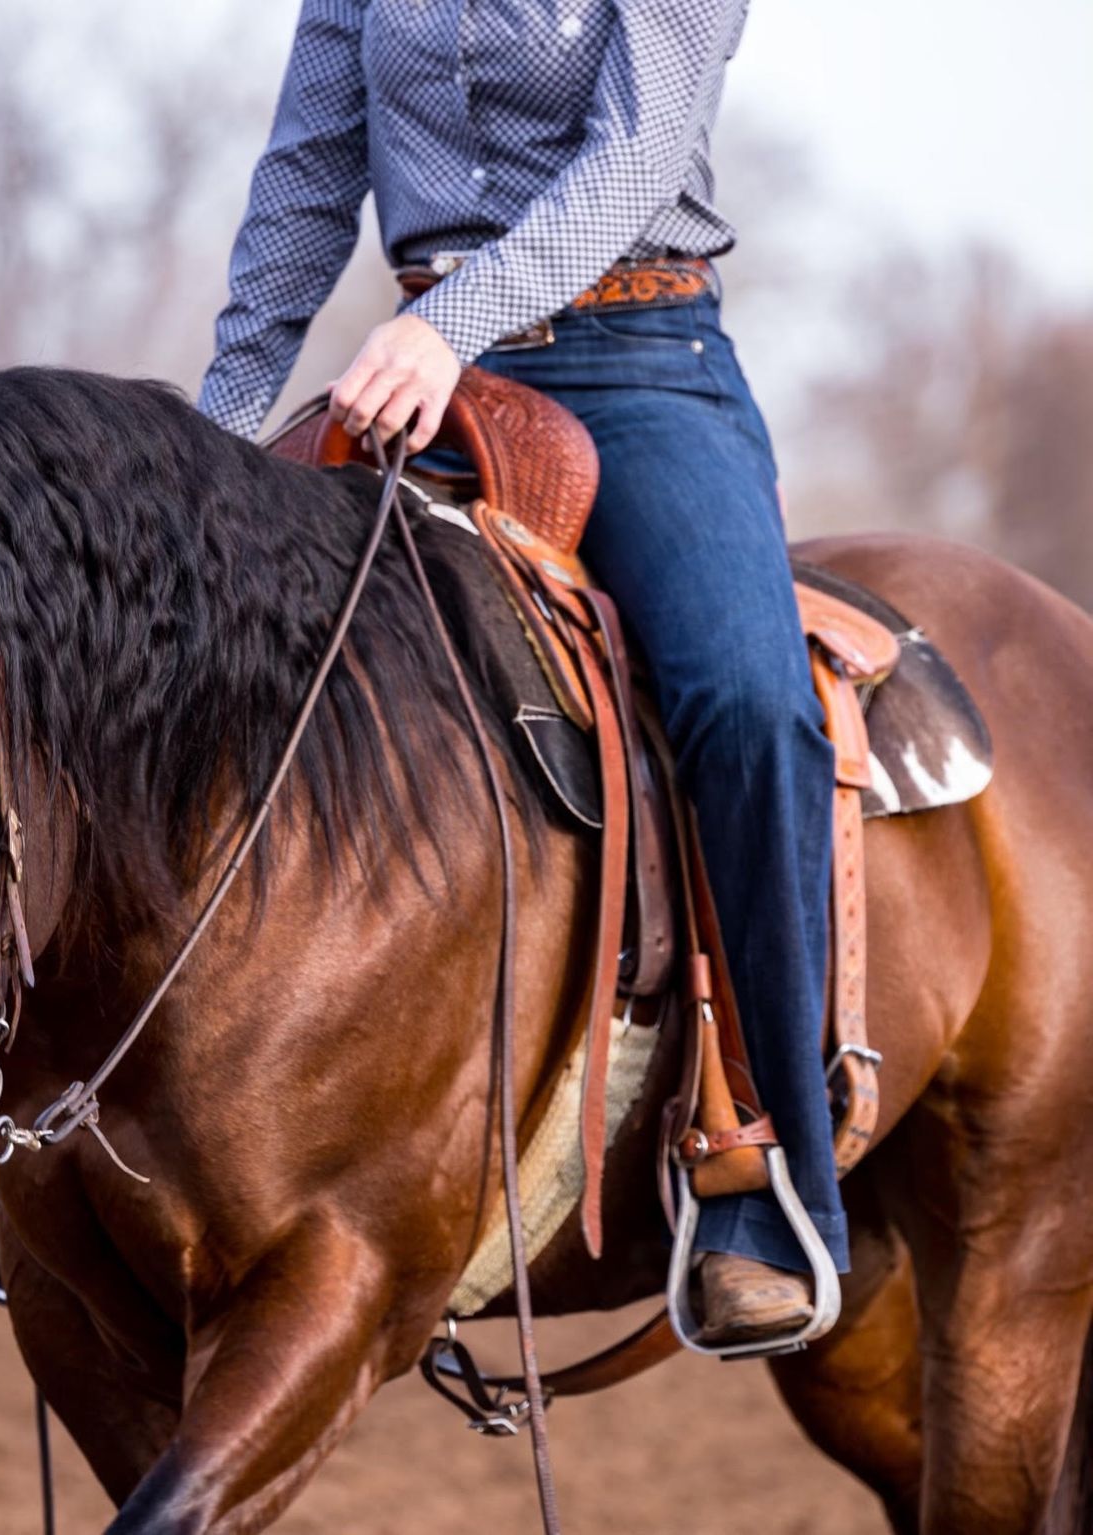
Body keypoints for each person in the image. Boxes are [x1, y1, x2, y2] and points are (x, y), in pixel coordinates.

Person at [198, 0, 845, 1346]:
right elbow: (310, 176)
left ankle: (770, 1170)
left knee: (749, 704)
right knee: (198, 654)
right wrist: (208, 440)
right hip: (420, 376)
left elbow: (633, 154)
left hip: (638, 356)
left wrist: (454, 324)